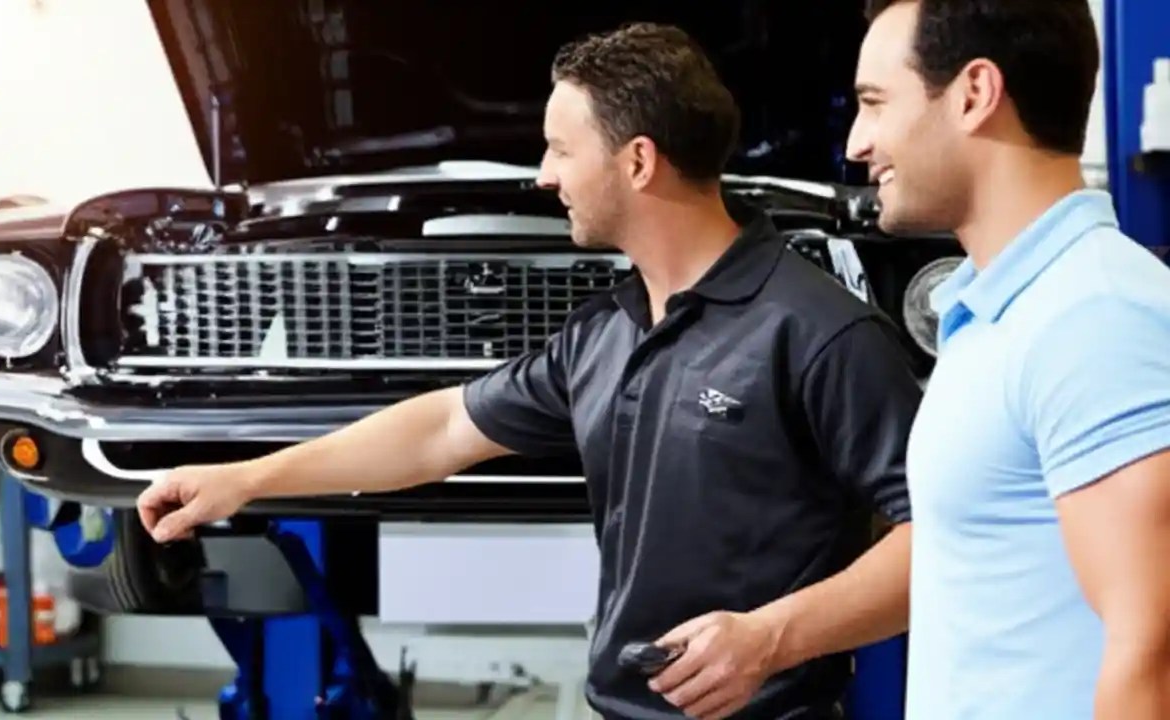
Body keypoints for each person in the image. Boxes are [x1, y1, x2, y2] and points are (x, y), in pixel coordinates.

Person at [139, 23, 922, 720]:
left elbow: (936, 540)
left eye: (560, 149)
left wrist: (769, 640)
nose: (544, 176)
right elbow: (440, 430)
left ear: (638, 161)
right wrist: (244, 478)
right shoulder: (605, 331)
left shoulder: (819, 331)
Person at [848, 1, 1170, 719]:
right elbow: (967, 547)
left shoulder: (1098, 316)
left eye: (874, 104)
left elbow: (1153, 649)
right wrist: (769, 638)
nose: (857, 143)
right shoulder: (999, 309)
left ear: (974, 93)